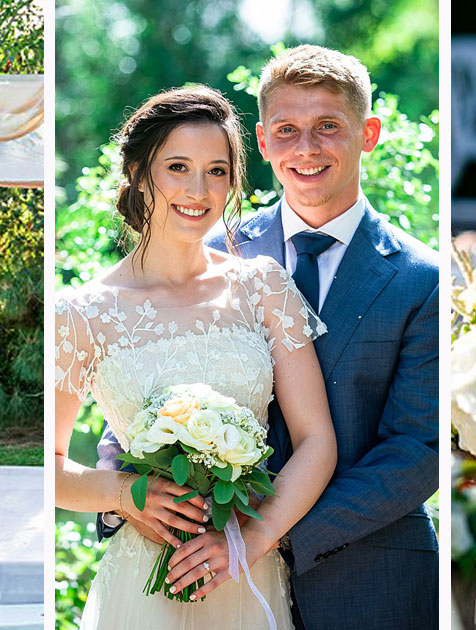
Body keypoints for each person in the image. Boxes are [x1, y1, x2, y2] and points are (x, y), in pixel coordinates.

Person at [98, 46, 440, 630]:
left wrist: (261, 536)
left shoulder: (421, 279)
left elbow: (416, 450)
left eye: (328, 127)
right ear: (261, 140)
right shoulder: (209, 252)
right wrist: (130, 496)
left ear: (369, 133)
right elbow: (138, 384)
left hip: (370, 581)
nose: (306, 149)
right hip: (199, 579)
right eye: (287, 130)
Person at [55, 84, 338, 629]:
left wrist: (247, 542)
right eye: (178, 167)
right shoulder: (84, 312)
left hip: (245, 574)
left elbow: (315, 440)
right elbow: (48, 466)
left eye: (217, 170)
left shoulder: (263, 287)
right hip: (144, 584)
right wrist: (126, 495)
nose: (199, 189)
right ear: (140, 174)